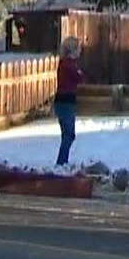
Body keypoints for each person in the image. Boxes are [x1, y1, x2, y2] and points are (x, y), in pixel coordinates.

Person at [53, 36, 84, 167]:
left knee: (69, 135)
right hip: (64, 103)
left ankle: (62, 162)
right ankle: (61, 163)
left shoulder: (67, 63)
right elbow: (78, 77)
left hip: (66, 102)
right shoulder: (67, 64)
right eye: (78, 49)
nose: (80, 52)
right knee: (68, 135)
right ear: (73, 50)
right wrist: (79, 73)